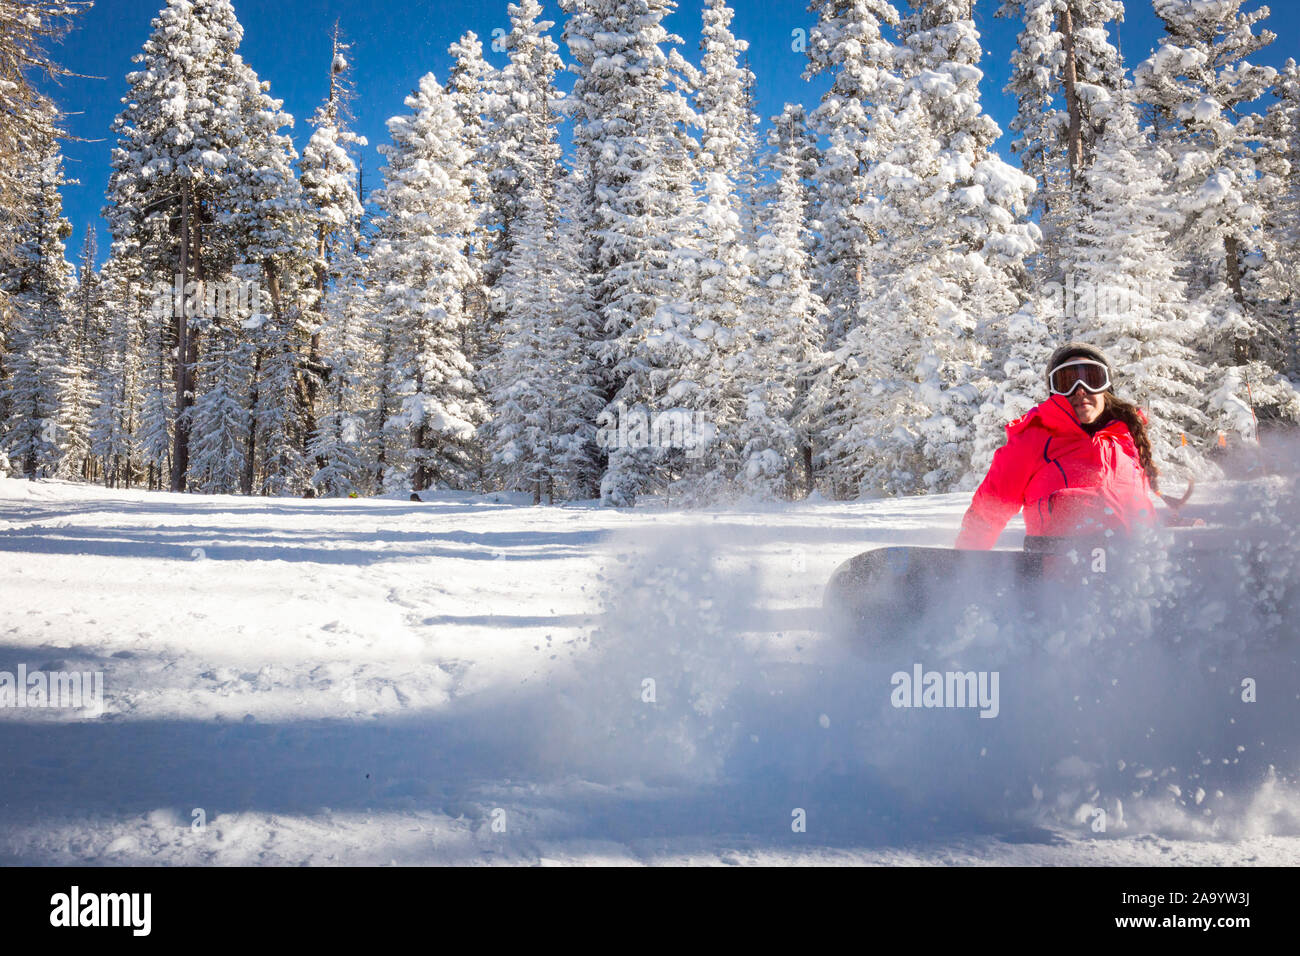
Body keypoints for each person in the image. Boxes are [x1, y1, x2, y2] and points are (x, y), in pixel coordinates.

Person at [955, 343, 1160, 549]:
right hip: (1058, 571)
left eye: (1092, 379)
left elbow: (1135, 511)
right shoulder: (1033, 439)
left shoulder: (1125, 439)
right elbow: (986, 513)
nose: (1080, 390)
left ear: (1105, 388)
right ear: (1054, 392)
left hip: (1132, 571)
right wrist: (965, 568)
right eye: (1067, 382)